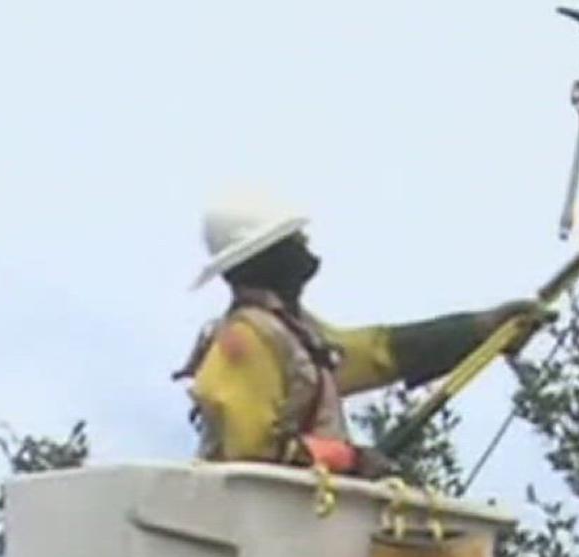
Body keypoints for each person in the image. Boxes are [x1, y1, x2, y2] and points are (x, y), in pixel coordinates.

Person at [174, 191, 541, 478]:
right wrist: (349, 458)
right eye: (292, 237)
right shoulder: (245, 342)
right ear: (266, 255)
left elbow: (375, 353)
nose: (305, 242)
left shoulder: (290, 332)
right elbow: (251, 453)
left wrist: (477, 331)